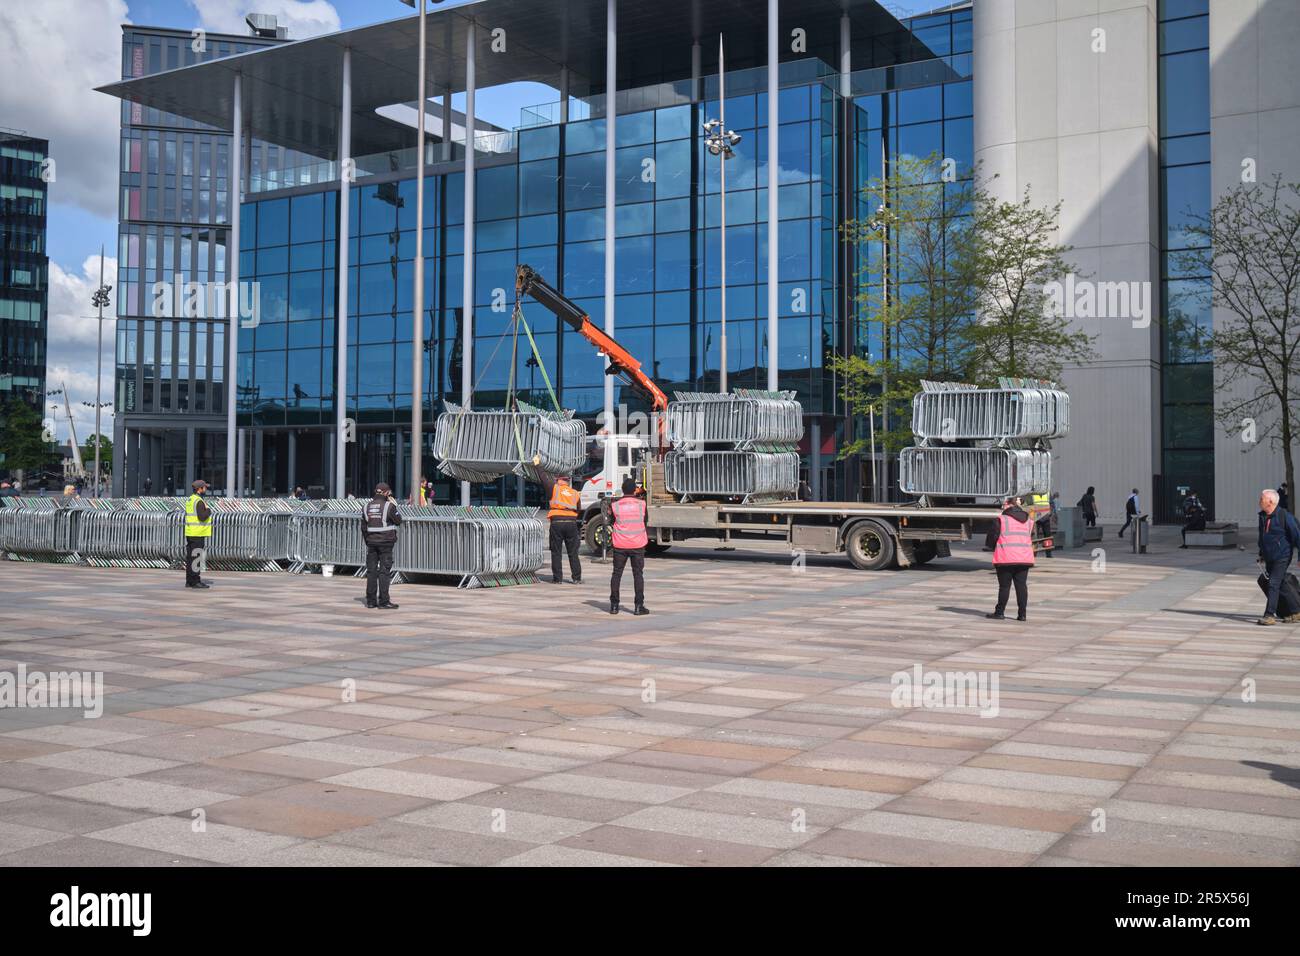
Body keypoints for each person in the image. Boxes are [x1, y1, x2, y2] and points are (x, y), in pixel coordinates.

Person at [605, 477, 649, 615]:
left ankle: (614, 606)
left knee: (616, 574)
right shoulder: (642, 504)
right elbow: (645, 521)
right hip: (637, 544)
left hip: (620, 544)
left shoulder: (615, 505)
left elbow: (611, 522)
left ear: (623, 490)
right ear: (635, 490)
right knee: (638, 575)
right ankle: (638, 606)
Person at [986, 496, 1035, 621]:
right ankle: (1022, 614)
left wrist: (992, 547)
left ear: (1008, 504)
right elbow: (1031, 536)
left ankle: (1000, 612)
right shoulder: (1028, 520)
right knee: (1021, 586)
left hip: (1005, 557)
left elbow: (992, 537)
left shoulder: (1001, 519)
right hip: (1024, 558)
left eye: (1003, 504)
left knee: (1004, 586)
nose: (1002, 506)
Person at [1256, 488, 1300, 625]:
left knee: (1273, 583)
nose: (1259, 501)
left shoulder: (1285, 517)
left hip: (1282, 556)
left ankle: (1269, 615)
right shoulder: (1263, 516)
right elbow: (1263, 537)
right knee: (1280, 583)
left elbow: (1298, 537)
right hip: (1270, 557)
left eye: (1261, 499)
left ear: (1270, 502)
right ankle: (1296, 611)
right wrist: (1262, 553)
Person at [361, 482, 402, 609]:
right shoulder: (389, 506)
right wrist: (395, 505)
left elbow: (363, 527)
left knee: (371, 572)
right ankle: (384, 601)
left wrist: (368, 541)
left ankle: (371, 601)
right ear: (386, 493)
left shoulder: (366, 506)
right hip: (386, 543)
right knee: (384, 572)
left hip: (371, 543)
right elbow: (398, 520)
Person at [545, 474, 583, 584]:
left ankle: (557, 579)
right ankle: (576, 578)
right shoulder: (575, 493)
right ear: (568, 481)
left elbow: (543, 477)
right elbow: (579, 509)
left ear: (558, 480)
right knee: (573, 552)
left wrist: (538, 465)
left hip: (557, 522)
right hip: (571, 523)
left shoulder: (554, 489)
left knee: (556, 552)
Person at [184, 479, 213, 589]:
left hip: (190, 532)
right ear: (199, 489)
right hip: (198, 533)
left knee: (190, 557)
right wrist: (209, 511)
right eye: (204, 487)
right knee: (196, 558)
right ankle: (196, 581)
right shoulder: (199, 501)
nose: (205, 489)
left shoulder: (190, 499)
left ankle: (189, 581)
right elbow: (202, 516)